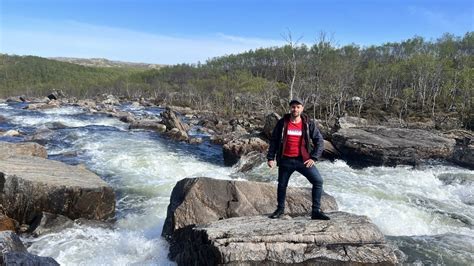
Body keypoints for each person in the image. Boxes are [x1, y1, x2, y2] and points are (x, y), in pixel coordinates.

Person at [267, 97, 330, 220]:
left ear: (302, 108)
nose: (295, 109)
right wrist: (270, 158)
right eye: (293, 107)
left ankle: (315, 211)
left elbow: (319, 141)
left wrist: (314, 157)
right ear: (290, 108)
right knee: (282, 185)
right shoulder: (283, 122)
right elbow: (274, 141)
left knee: (318, 181)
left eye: (298, 107)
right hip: (285, 160)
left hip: (303, 160)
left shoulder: (308, 123)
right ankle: (280, 209)